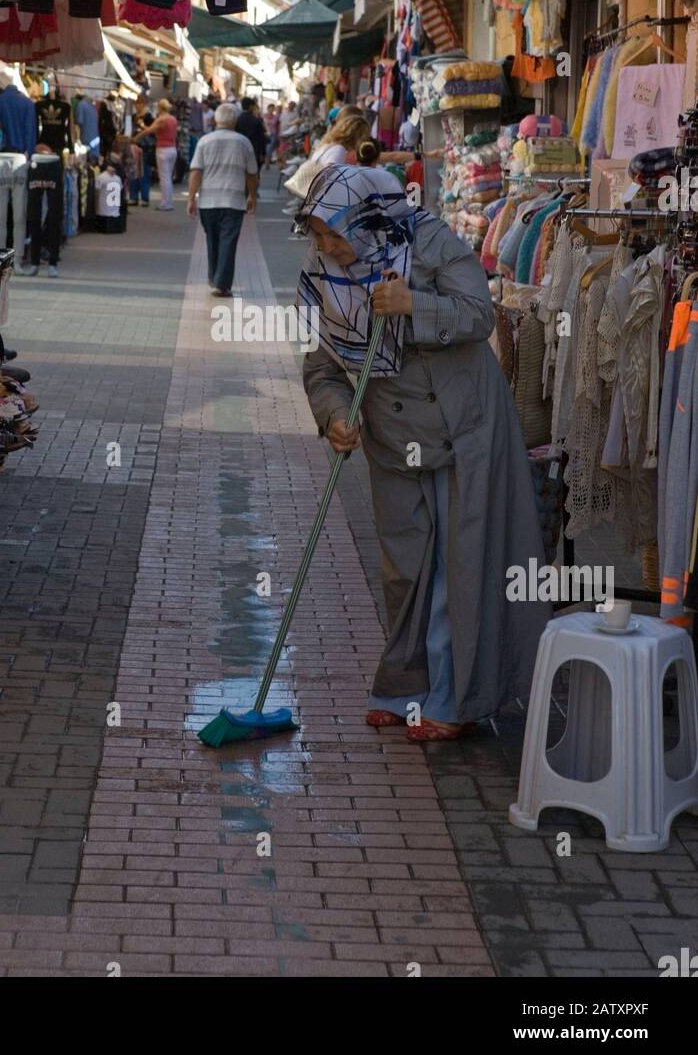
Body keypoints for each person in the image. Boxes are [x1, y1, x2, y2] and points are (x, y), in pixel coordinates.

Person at [296, 166, 549, 741]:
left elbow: (481, 315)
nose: (328, 248)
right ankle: (404, 684)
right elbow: (323, 366)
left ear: (367, 218)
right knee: (407, 562)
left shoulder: (430, 240)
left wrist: (414, 304)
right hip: (392, 432)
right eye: (317, 235)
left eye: (334, 233)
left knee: (461, 560)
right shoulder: (323, 270)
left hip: (463, 425)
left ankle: (455, 698)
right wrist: (335, 414)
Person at [187, 101, 258, 296]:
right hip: (234, 201)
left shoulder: (204, 141)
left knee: (212, 239)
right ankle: (221, 283)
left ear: (215, 120)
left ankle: (215, 278)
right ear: (235, 120)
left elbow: (195, 172)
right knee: (228, 241)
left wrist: (191, 198)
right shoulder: (244, 142)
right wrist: (252, 195)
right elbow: (252, 174)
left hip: (209, 200)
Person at [134, 98, 177, 211]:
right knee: (168, 177)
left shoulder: (161, 119)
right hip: (173, 149)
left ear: (159, 108)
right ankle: (169, 202)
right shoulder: (173, 119)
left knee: (164, 178)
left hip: (163, 150)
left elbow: (148, 131)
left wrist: (135, 138)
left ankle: (165, 204)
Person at [235, 97, 268, 171]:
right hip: (254, 151)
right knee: (254, 174)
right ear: (251, 106)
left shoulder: (237, 120)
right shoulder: (256, 121)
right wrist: (263, 153)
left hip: (240, 151)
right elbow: (262, 138)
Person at [264, 103, 280, 168]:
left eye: (272, 109)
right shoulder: (264, 115)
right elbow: (263, 123)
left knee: (269, 148)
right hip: (266, 134)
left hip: (273, 134)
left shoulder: (275, 116)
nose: (271, 110)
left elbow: (274, 123)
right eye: (270, 108)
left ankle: (267, 163)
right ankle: (267, 162)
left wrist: (267, 121)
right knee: (268, 148)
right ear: (268, 108)